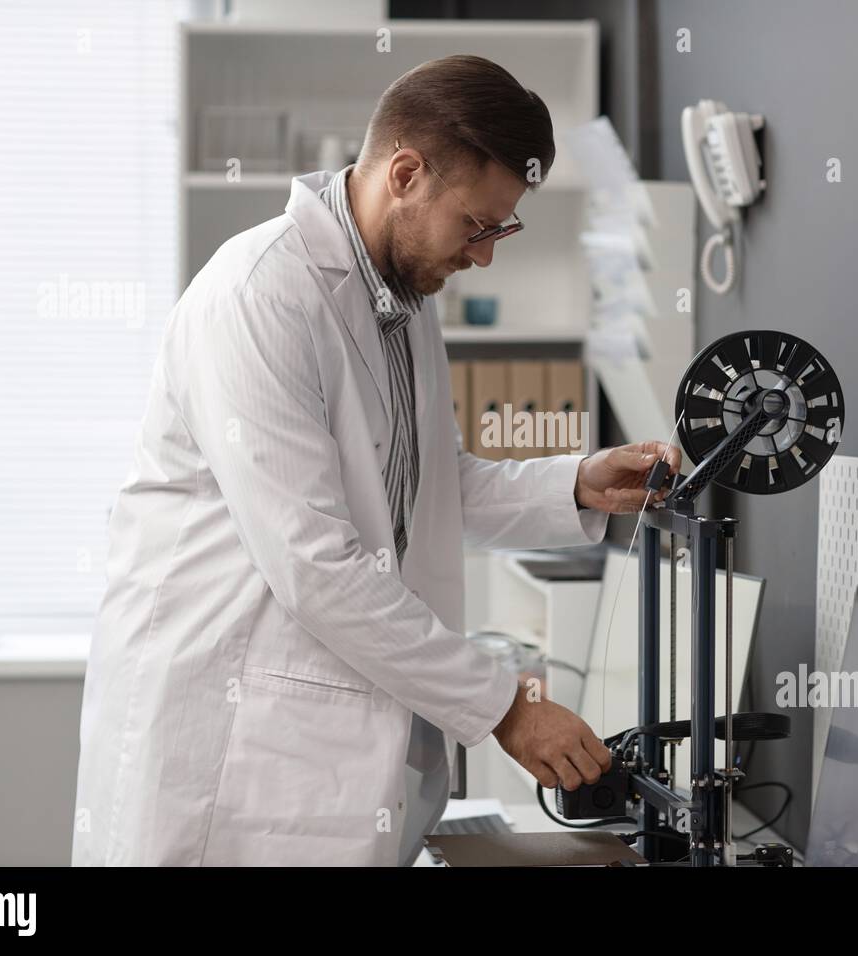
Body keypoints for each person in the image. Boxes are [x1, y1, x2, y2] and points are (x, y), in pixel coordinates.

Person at [72, 54, 680, 866]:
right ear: (405, 173)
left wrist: (574, 480)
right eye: (477, 224)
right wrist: (505, 706)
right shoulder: (260, 297)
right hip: (228, 747)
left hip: (329, 751)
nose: (486, 255)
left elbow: (427, 485)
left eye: (504, 227)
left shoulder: (402, 296)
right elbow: (314, 562)